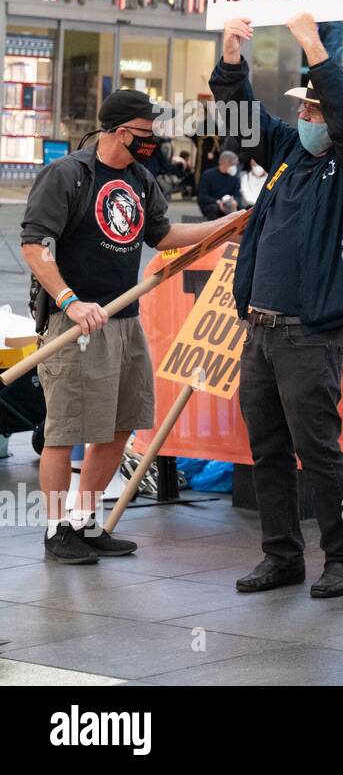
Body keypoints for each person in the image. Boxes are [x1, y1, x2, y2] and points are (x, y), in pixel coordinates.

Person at [211, 12, 343, 599]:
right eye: (304, 109)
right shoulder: (290, 151)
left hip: (311, 331)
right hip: (262, 326)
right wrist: (231, 60)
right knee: (267, 447)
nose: (305, 116)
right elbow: (243, 123)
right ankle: (282, 555)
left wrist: (315, 47)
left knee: (317, 449)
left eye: (315, 109)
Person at [20, 89, 240, 563]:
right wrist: (71, 302)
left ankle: (84, 520)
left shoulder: (140, 178)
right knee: (64, 430)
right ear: (121, 132)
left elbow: (162, 237)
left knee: (120, 426)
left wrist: (225, 227)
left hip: (124, 319)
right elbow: (35, 246)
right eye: (146, 132)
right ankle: (57, 529)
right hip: (75, 324)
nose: (153, 140)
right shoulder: (68, 175)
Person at [197, 150, 244, 218]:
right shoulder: (208, 175)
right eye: (232, 164)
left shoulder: (234, 177)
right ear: (223, 163)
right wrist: (219, 202)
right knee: (214, 209)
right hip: (213, 203)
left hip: (230, 203)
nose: (234, 167)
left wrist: (235, 202)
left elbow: (238, 195)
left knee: (243, 210)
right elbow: (202, 197)